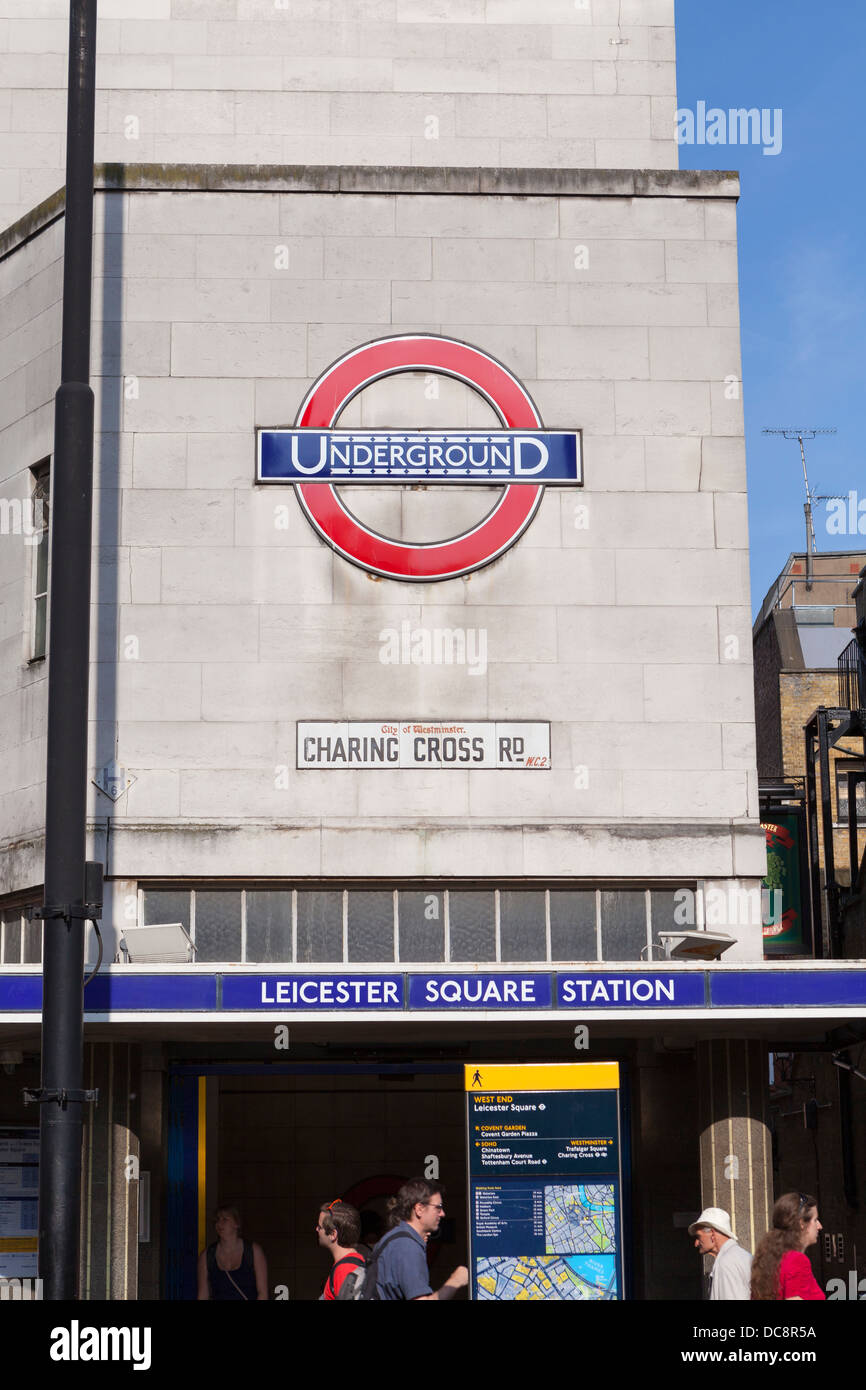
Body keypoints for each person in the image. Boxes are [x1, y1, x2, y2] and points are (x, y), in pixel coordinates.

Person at [374, 1177, 469, 1301]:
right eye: (438, 1207)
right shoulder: (407, 1247)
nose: (442, 1214)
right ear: (419, 1209)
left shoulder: (395, 1239)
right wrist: (456, 1281)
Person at [751, 1191, 826, 1300]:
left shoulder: (768, 1258)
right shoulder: (797, 1260)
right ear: (802, 1224)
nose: (819, 1226)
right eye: (815, 1220)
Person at [197, 1205, 268, 1301]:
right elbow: (203, 1295)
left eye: (225, 1219)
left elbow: (262, 1293)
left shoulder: (253, 1251)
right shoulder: (207, 1255)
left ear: (237, 1224)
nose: (219, 1223)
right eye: (217, 1220)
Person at [688, 1206, 752, 1300]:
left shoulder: (726, 1262)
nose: (696, 1243)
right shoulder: (742, 1256)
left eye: (699, 1236)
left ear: (713, 1234)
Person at [317, 1199, 366, 1300]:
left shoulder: (345, 1269)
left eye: (319, 1227)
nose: (316, 1229)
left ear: (333, 1234)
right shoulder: (353, 1263)